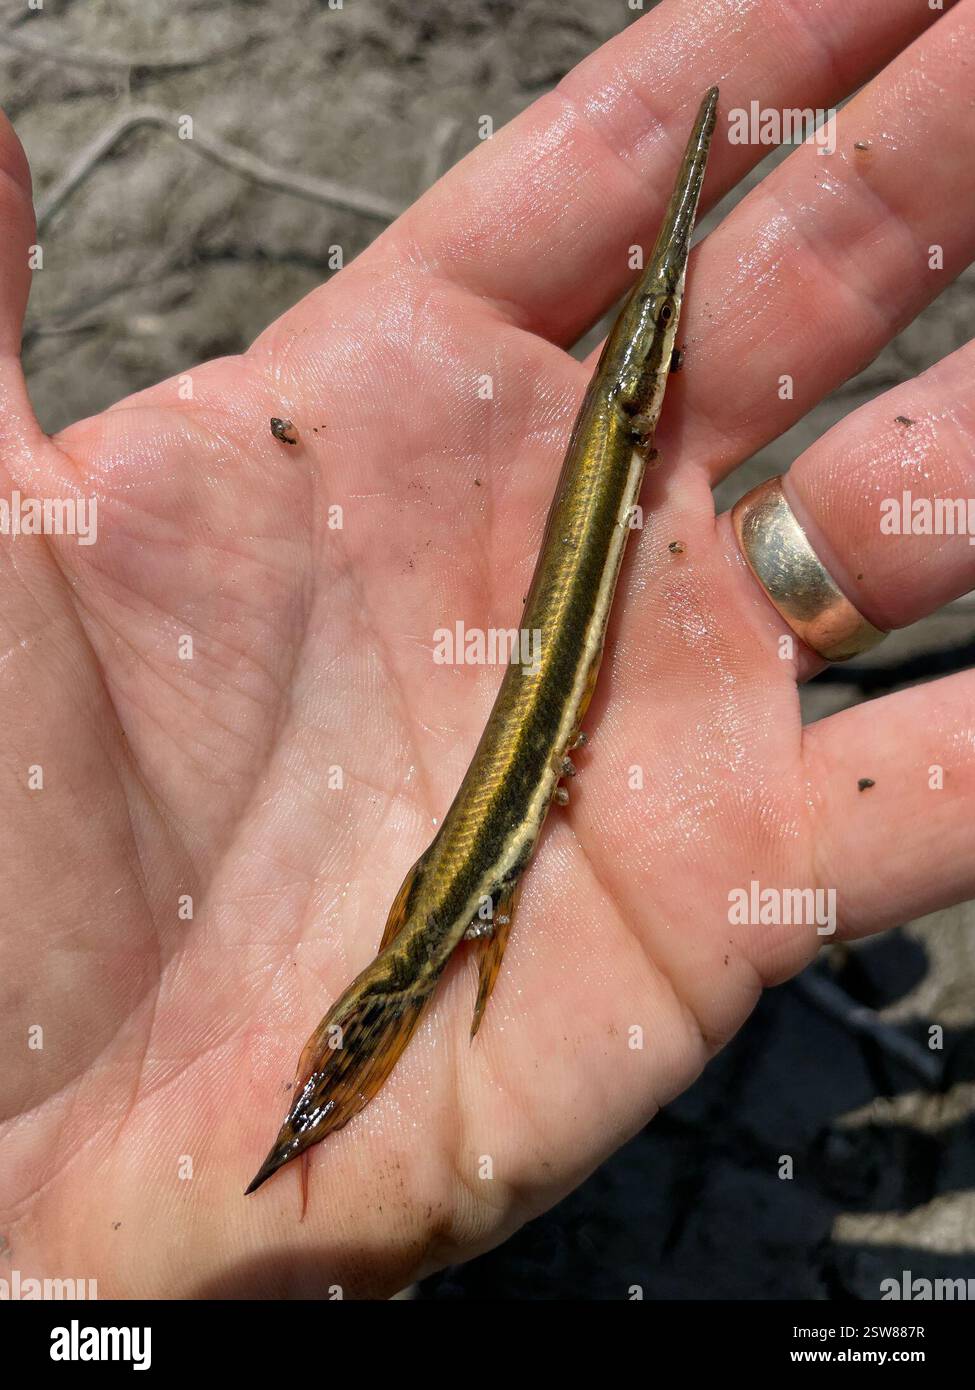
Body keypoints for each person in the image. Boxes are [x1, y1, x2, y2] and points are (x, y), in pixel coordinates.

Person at [1, 0, 972, 1299]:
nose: (664, 348)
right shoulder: (620, 419)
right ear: (643, 399)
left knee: (406, 972)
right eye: (664, 344)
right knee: (399, 981)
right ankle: (321, 1099)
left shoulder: (624, 426)